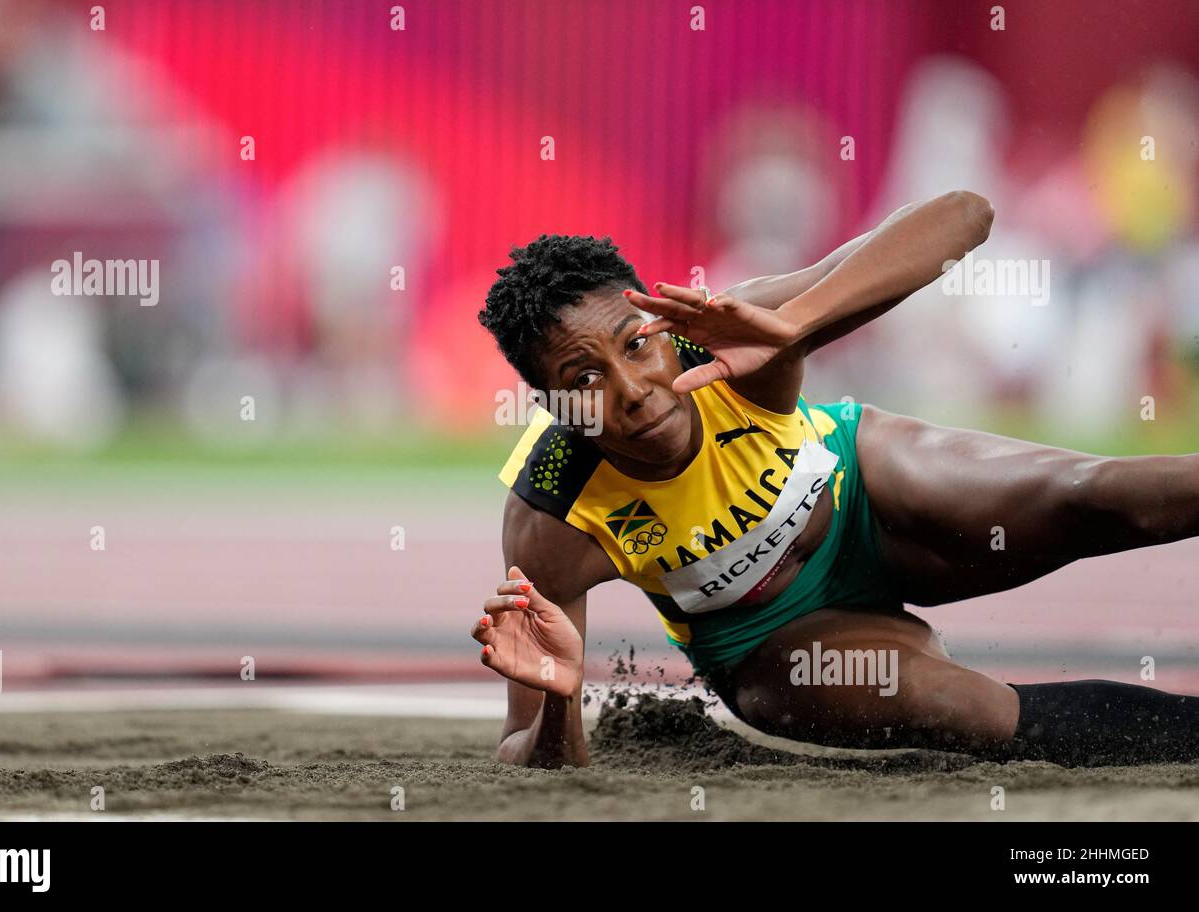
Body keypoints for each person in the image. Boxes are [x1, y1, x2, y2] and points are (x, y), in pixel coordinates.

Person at [473, 191, 1199, 769]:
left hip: (872, 495)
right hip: (772, 640)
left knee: (1098, 497)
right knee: (967, 711)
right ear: (551, 406)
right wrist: (561, 702)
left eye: (637, 346)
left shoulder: (722, 326)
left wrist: (794, 326)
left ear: (657, 327)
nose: (633, 388)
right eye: (585, 379)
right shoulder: (553, 516)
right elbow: (526, 745)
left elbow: (965, 215)